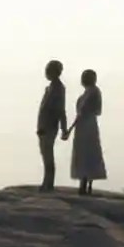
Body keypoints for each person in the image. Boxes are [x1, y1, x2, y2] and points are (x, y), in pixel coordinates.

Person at [63, 69, 107, 195]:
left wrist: (70, 129)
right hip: (86, 126)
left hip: (87, 126)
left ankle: (85, 183)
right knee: (87, 154)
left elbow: (83, 113)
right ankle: (86, 183)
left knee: (87, 153)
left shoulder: (92, 92)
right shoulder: (91, 92)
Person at [36, 60, 69, 192]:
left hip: (49, 126)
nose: (46, 73)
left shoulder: (58, 88)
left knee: (48, 154)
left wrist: (64, 128)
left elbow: (61, 110)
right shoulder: (50, 88)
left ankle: (49, 183)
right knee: (45, 154)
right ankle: (47, 181)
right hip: (44, 125)